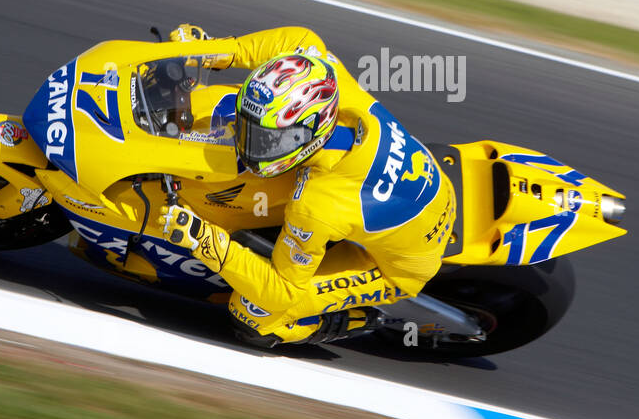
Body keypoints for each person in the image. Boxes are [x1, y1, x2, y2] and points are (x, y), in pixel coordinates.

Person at [157, 25, 456, 347]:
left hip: (401, 263)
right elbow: (303, 41)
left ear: (306, 134)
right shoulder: (326, 80)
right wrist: (218, 51)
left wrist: (206, 242)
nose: (248, 144)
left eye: (266, 139)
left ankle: (344, 319)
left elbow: (281, 290)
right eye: (248, 128)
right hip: (420, 184)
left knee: (255, 314)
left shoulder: (316, 206)